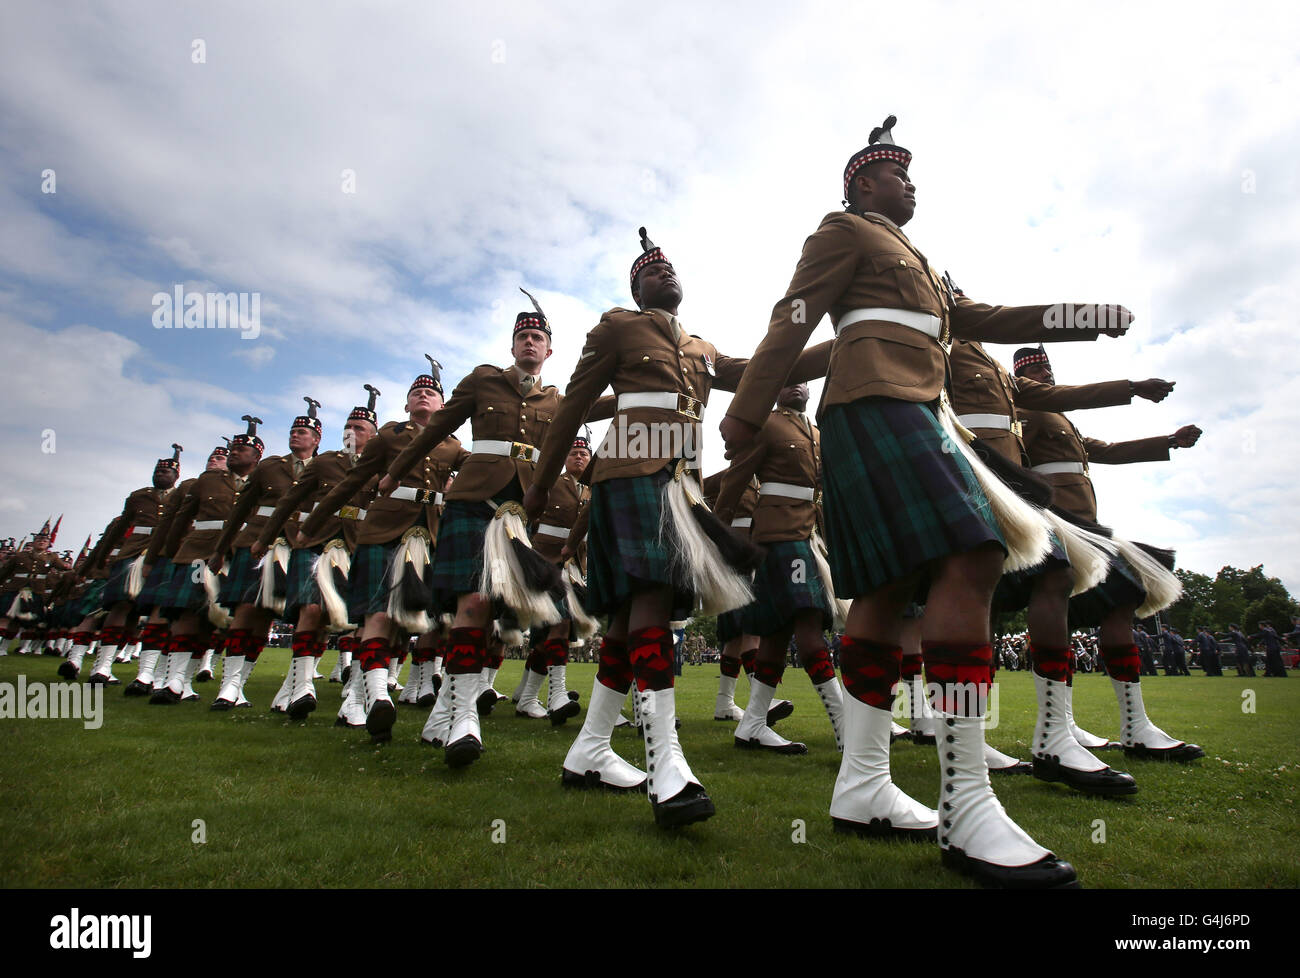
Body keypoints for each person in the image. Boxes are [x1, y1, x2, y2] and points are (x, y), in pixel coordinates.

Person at [717, 116, 1138, 886]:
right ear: (861, 184)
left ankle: (864, 783)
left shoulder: (929, 268)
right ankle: (965, 797)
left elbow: (992, 319)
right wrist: (747, 411)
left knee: (883, 593)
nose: (910, 182)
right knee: (971, 553)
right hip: (875, 405)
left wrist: (1081, 319)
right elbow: (794, 315)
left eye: (911, 174)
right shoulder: (842, 232)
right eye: (895, 173)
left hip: (913, 411)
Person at [524, 228, 832, 825]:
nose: (663, 272)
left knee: (628, 618)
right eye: (650, 269)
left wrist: (844, 344)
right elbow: (571, 409)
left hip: (679, 481)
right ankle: (666, 760)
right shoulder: (616, 327)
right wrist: (539, 485)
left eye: (669, 267)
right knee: (653, 601)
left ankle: (589, 750)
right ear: (635, 288)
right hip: (631, 470)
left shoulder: (702, 348)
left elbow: (762, 366)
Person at [1016, 347, 1204, 760]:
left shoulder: (1063, 419)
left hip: (1091, 530)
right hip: (1057, 526)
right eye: (1036, 369)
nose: (1045, 374)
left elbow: (1110, 450)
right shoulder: (1022, 411)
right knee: (1063, 615)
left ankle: (1134, 725)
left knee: (1122, 602)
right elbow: (1009, 463)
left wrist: (1168, 441)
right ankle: (1057, 727)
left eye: (1048, 368)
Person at [302, 358, 469, 741]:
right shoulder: (390, 436)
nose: (423, 394)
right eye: (416, 392)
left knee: (405, 623)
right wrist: (313, 522)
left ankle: (359, 698)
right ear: (407, 404)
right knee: (377, 614)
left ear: (442, 406)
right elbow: (355, 479)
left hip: (427, 536)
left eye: (431, 391)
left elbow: (480, 469)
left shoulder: (454, 446)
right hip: (382, 530)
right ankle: (378, 696)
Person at [713, 382, 845, 754]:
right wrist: (718, 538)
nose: (796, 386)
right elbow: (734, 480)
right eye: (786, 379)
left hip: (806, 534)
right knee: (808, 621)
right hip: (778, 537)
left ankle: (752, 726)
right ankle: (845, 725)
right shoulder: (766, 426)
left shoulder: (817, 432)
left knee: (774, 632)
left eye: (802, 380)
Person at [253, 387, 381, 722]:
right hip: (316, 543)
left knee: (350, 621)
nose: (352, 432)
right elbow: (288, 502)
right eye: (348, 427)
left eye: (360, 428)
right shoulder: (325, 463)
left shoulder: (381, 466)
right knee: (311, 610)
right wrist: (267, 538)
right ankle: (303, 686)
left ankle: (349, 693)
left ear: (374, 435)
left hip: (356, 546)